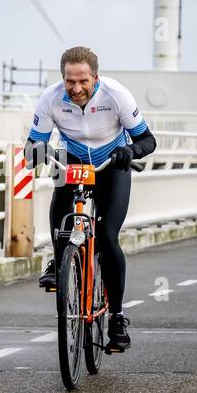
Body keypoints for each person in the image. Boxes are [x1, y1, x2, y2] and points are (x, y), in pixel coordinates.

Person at [23, 46, 157, 352]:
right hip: (71, 159)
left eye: (83, 81)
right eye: (70, 81)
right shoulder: (50, 99)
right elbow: (35, 143)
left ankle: (117, 317)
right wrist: (34, 152)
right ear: (63, 79)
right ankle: (60, 261)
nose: (76, 88)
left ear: (95, 77)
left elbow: (148, 140)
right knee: (61, 202)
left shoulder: (116, 95)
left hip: (111, 162)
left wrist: (131, 151)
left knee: (108, 237)